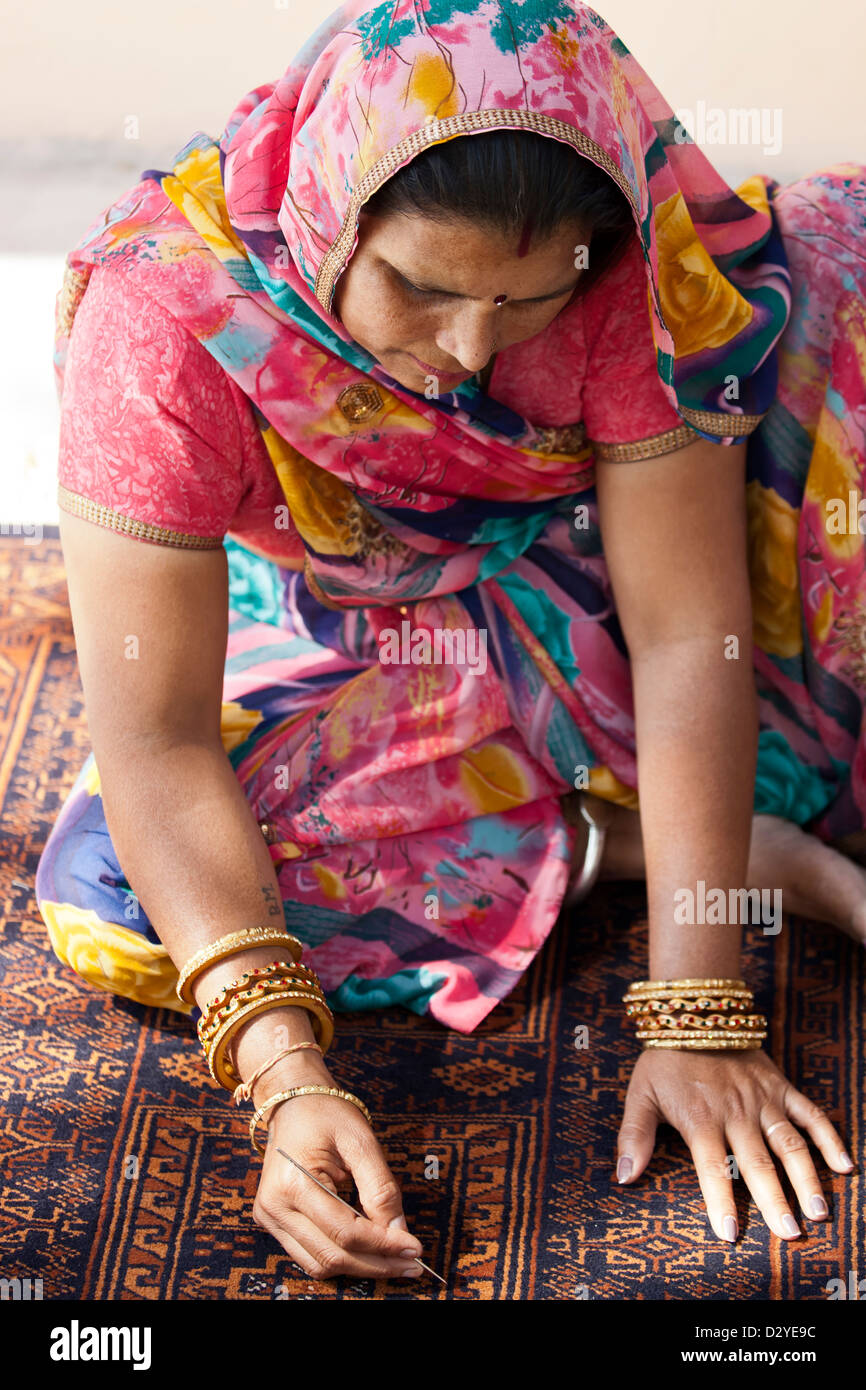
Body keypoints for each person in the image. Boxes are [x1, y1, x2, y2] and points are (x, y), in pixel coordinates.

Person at [36, 0, 865, 1283]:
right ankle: (641, 838)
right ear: (331, 215)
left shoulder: (629, 275)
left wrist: (698, 1008)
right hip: (389, 621)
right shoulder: (168, 325)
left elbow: (684, 633)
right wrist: (282, 1073)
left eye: (527, 300)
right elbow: (153, 740)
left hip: (680, 548)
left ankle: (673, 819)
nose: (469, 353)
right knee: (119, 898)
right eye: (422, 288)